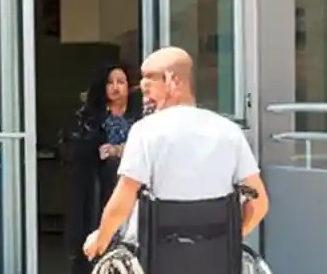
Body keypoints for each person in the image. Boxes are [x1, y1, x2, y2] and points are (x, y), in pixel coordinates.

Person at [82, 46, 269, 262]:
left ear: (172, 80)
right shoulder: (229, 132)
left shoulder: (146, 131)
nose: (144, 94)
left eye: (149, 83)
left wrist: (101, 239)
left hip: (155, 259)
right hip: (214, 262)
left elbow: (123, 200)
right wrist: (228, 241)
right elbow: (259, 202)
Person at [60, 63, 142, 274]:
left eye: (122, 81)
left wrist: (120, 151)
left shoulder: (141, 119)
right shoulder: (91, 119)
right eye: (111, 82)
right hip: (99, 193)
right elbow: (72, 149)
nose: (116, 87)